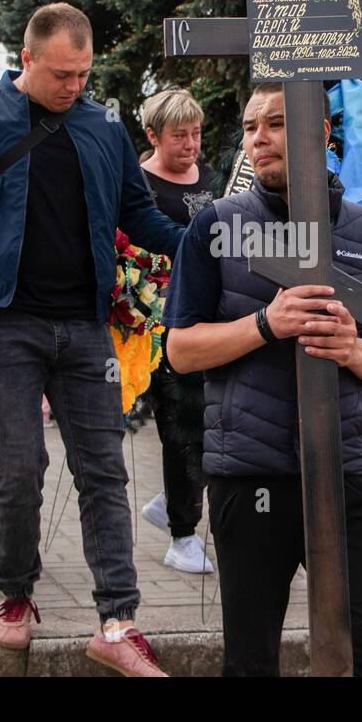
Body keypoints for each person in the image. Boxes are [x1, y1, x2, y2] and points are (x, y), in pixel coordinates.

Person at [0, 3, 183, 675]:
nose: (73, 87)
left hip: (86, 327)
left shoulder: (101, 124)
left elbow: (137, 211)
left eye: (84, 75)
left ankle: (118, 619)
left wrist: (198, 246)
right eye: (61, 74)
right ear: (26, 59)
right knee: (19, 467)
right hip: (0, 322)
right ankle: (15, 597)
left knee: (104, 469)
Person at [163, 80, 362, 676]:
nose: (259, 139)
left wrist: (354, 348)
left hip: (344, 467)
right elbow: (180, 351)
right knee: (251, 657)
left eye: (275, 123)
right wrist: (265, 323)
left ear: (321, 132)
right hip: (249, 470)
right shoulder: (216, 227)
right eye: (250, 127)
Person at [132, 88, 216, 575]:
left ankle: (171, 500)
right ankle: (182, 536)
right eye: (178, 136)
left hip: (212, 317)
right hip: (161, 321)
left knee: (215, 420)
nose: (190, 144)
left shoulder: (210, 177)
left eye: (196, 133)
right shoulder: (140, 184)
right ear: (152, 135)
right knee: (182, 423)